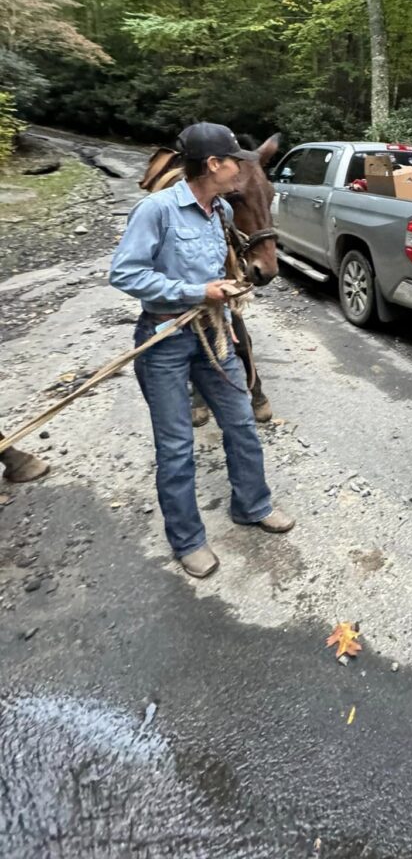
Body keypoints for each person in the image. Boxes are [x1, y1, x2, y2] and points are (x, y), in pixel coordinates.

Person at [109, 122, 294, 579]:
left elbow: (221, 271)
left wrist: (228, 315)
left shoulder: (221, 214)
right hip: (165, 340)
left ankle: (252, 505)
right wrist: (197, 291)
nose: (239, 171)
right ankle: (188, 540)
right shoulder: (157, 210)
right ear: (214, 165)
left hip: (215, 335)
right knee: (175, 447)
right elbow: (125, 274)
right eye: (234, 162)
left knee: (242, 424)